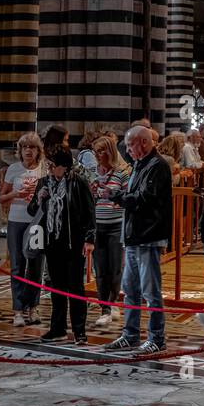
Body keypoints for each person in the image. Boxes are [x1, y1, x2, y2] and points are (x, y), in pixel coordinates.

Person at [104, 125, 172, 356]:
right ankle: (130, 334)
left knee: (151, 292)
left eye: (129, 145)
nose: (127, 149)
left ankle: (157, 338)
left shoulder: (158, 166)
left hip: (148, 237)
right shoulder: (139, 164)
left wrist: (115, 196)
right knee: (130, 290)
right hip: (134, 237)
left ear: (142, 142)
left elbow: (145, 199)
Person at [28, 145, 95, 345]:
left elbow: (88, 212)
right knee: (56, 288)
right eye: (48, 164)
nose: (49, 168)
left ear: (64, 167)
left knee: (75, 288)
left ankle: (79, 331)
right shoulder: (43, 183)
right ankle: (57, 329)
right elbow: (33, 211)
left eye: (53, 165)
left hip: (73, 242)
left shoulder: (78, 183)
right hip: (52, 242)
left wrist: (89, 239)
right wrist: (39, 200)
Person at [0, 132, 47, 326]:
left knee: (35, 265)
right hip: (16, 221)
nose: (28, 151)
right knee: (18, 265)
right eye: (25, 147)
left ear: (38, 151)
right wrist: (16, 193)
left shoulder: (43, 170)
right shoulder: (13, 169)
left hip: (36, 222)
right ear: (20, 150)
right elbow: (2, 198)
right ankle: (18, 310)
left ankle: (33, 308)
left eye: (32, 147)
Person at [88, 133, 130, 328]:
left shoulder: (122, 173)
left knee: (115, 267)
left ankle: (113, 302)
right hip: (97, 225)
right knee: (100, 268)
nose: (98, 155)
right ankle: (104, 307)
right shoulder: (91, 173)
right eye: (96, 151)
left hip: (115, 225)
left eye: (102, 151)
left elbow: (127, 199)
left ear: (110, 152)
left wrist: (111, 195)